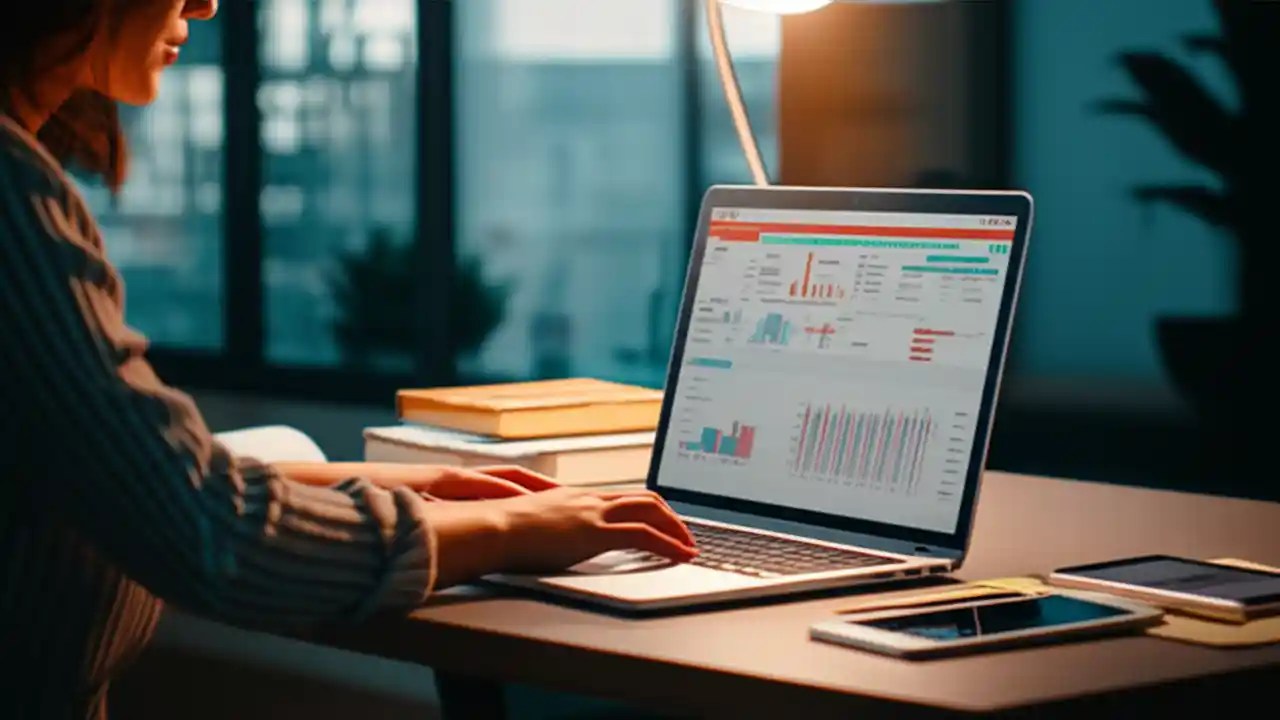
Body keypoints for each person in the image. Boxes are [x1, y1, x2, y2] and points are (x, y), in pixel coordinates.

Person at [0, 2, 698, 718]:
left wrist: (423, 484)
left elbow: (118, 468)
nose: (207, 4)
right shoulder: (13, 198)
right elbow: (208, 533)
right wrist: (510, 533)